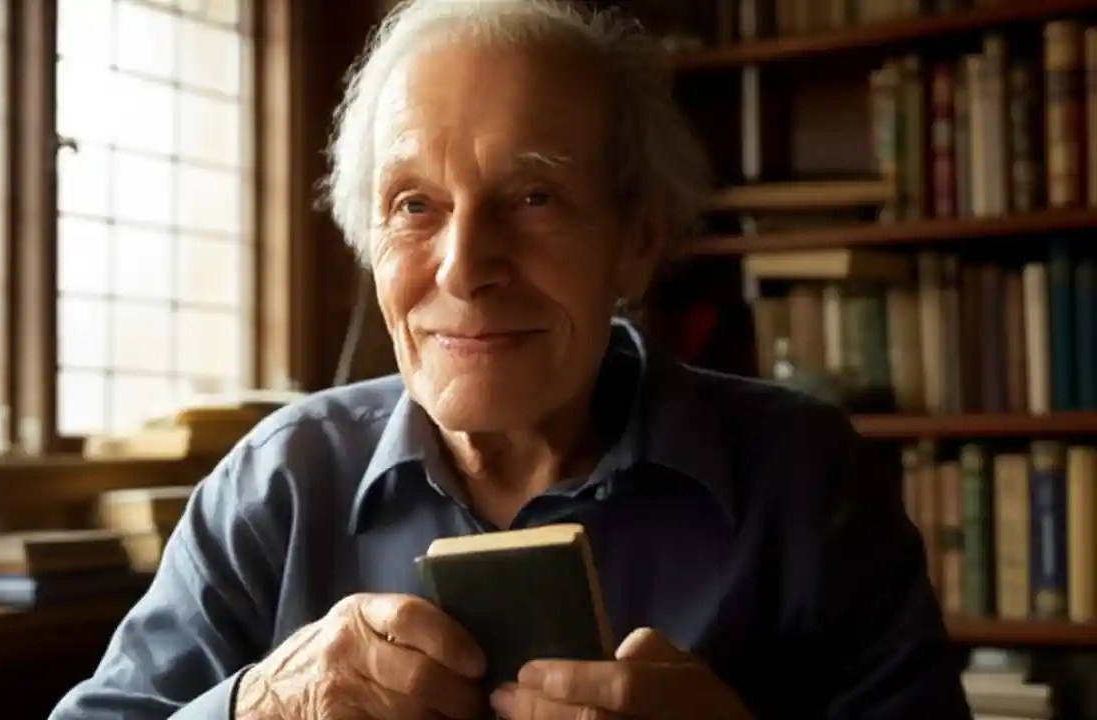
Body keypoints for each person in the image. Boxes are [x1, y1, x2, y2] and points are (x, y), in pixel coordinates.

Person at [50, 1, 971, 718]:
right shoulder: (279, 482)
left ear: (639, 241)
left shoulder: (804, 477)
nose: (464, 266)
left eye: (533, 196)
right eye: (415, 204)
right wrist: (264, 703)